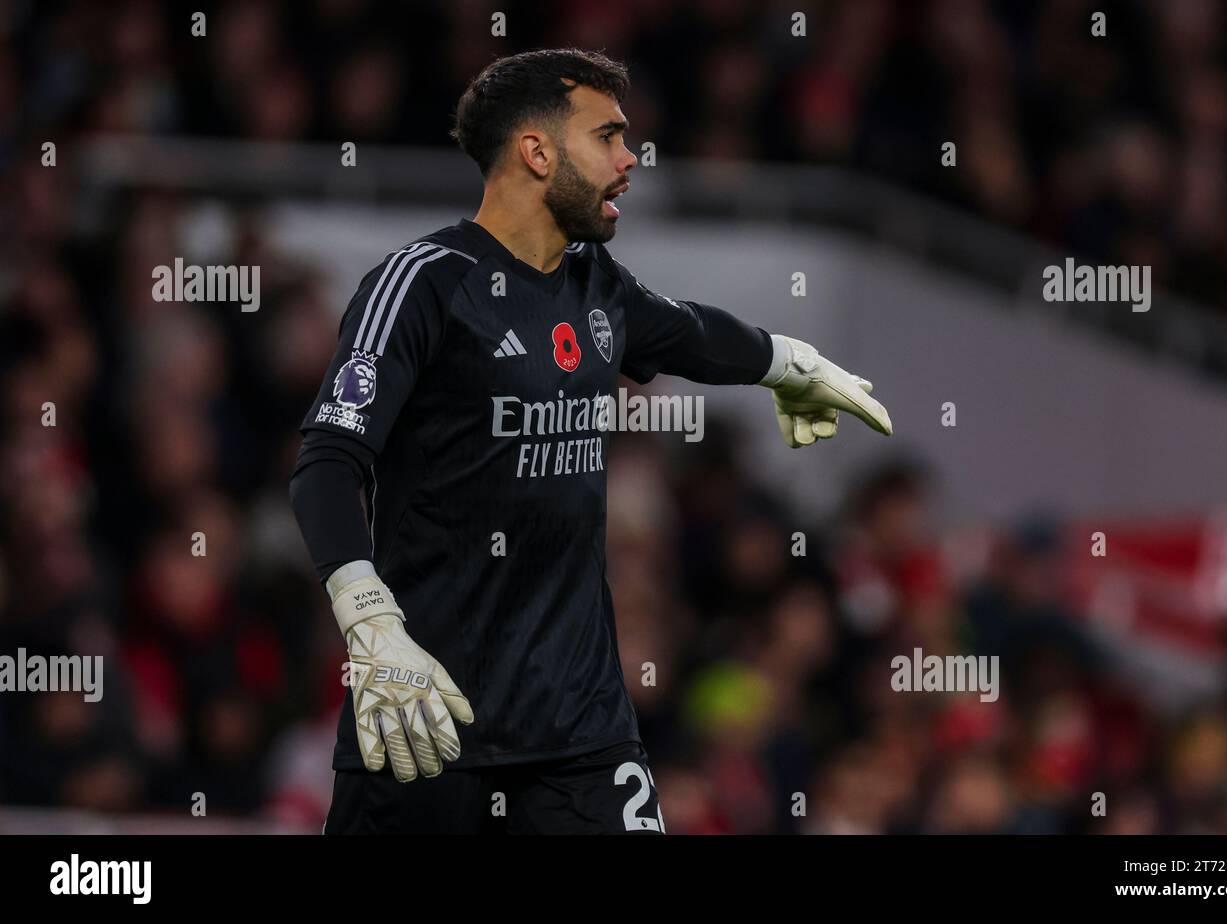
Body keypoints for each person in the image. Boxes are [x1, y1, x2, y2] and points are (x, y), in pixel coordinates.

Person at [289, 47, 892, 834]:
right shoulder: (420, 285)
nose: (629, 158)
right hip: (425, 717)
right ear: (536, 153)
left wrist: (790, 365)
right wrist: (370, 621)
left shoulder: (595, 282)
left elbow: (687, 333)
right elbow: (328, 465)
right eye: (607, 136)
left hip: (582, 736)